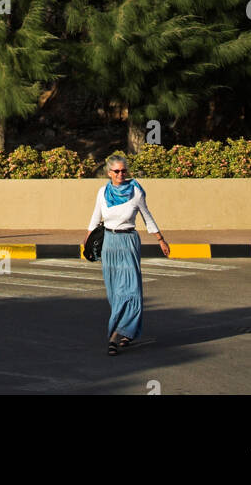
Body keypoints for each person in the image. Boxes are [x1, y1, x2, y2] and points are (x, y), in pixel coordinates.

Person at [86, 152, 170, 355]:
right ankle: (127, 333)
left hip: (128, 242)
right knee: (115, 292)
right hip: (110, 243)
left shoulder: (136, 191)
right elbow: (96, 218)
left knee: (130, 291)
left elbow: (147, 217)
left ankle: (115, 336)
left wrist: (160, 239)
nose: (121, 174)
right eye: (116, 171)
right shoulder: (102, 192)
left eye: (124, 171)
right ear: (109, 173)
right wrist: (86, 241)